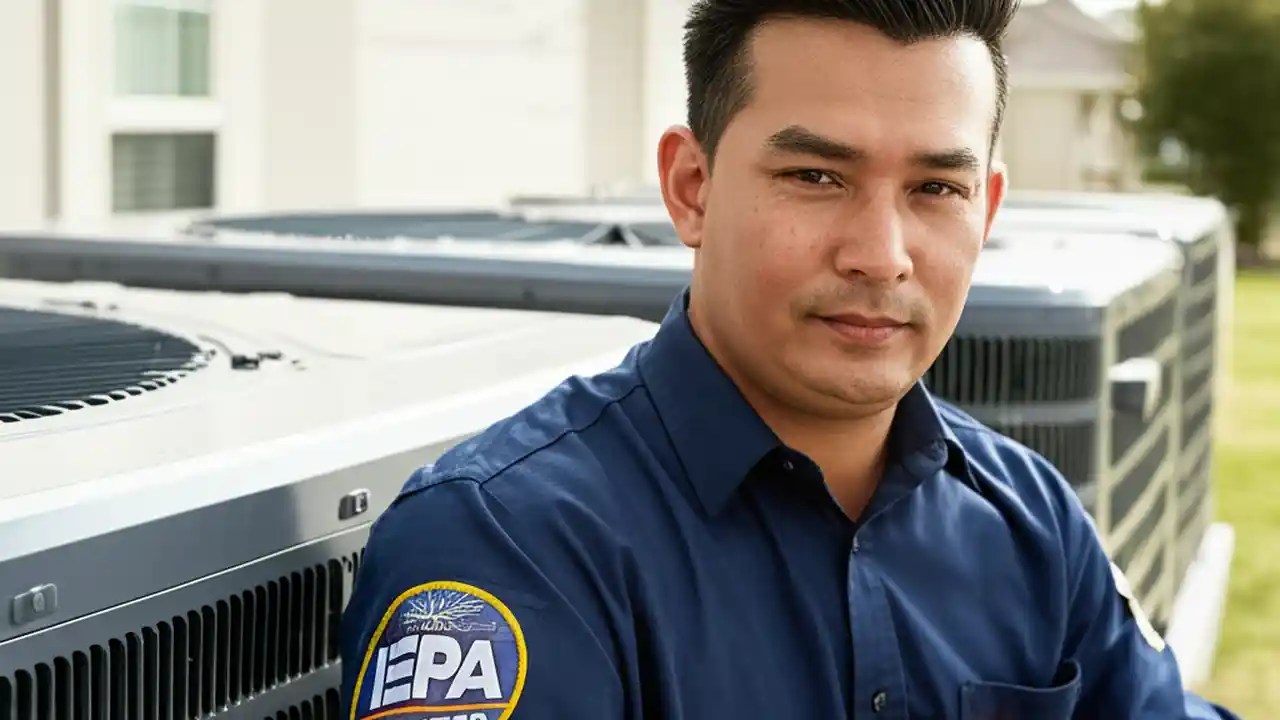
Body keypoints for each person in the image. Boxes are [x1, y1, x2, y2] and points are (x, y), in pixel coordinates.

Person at [341, 1, 1241, 718]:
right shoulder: (505, 546)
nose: (881, 252)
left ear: (989, 208)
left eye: (936, 188)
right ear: (691, 189)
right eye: (817, 177)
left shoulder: (1028, 519)